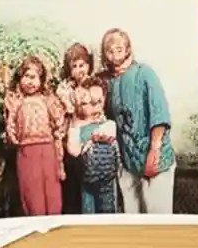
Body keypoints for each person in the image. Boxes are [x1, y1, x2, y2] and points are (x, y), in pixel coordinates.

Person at [99, 28, 175, 214]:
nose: (114, 53)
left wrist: (153, 153)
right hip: (128, 163)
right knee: (132, 219)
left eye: (119, 48)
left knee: (158, 218)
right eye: (109, 49)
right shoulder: (108, 82)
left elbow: (159, 114)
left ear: (128, 49)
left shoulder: (145, 73)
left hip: (153, 158)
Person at [2, 55, 66, 216]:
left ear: (41, 79)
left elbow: (59, 121)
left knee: (51, 190)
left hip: (47, 150)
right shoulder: (16, 101)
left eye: (34, 77)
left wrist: (58, 136)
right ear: (20, 78)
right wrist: (14, 137)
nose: (30, 82)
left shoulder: (48, 100)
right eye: (27, 77)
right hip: (26, 151)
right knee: (32, 190)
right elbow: (10, 124)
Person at [64, 76, 119, 214]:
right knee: (88, 210)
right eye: (90, 103)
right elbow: (74, 150)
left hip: (107, 179)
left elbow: (108, 134)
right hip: (87, 178)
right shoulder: (76, 128)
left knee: (108, 210)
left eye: (99, 102)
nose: (95, 107)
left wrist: (96, 138)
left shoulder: (108, 124)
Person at [55, 43, 95, 214]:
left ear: (89, 65)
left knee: (90, 185)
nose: (80, 70)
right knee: (72, 187)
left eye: (83, 65)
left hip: (90, 138)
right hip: (70, 140)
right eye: (75, 66)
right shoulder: (65, 88)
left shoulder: (95, 84)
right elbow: (72, 108)